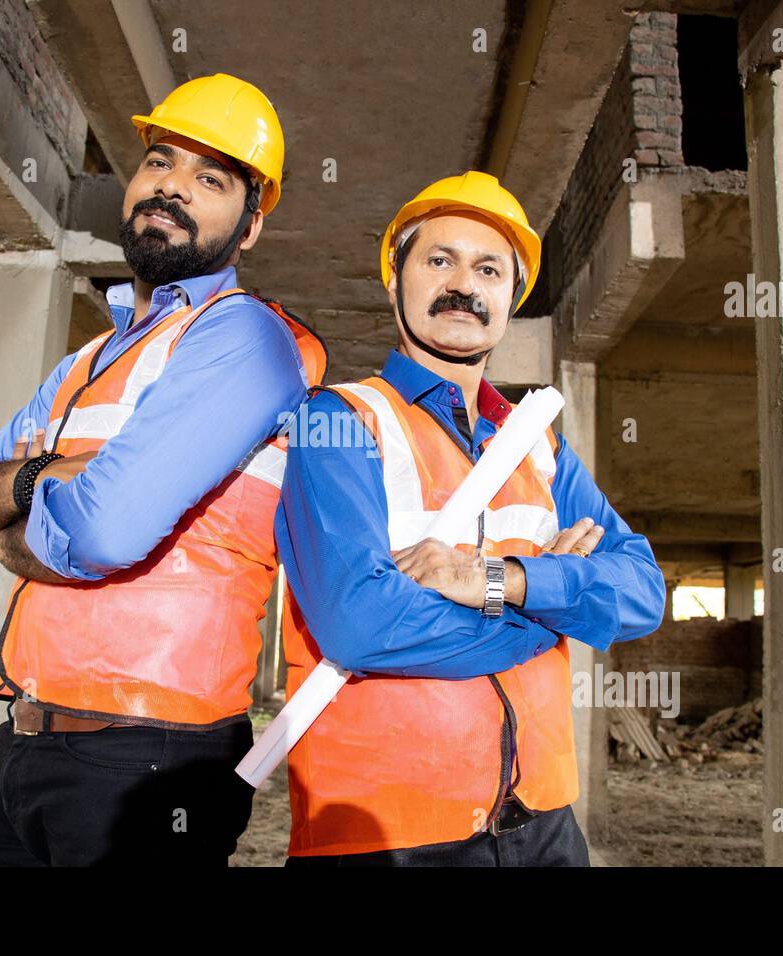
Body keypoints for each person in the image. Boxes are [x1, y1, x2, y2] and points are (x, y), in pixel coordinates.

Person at [0, 74, 325, 866]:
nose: (172, 187)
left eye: (209, 179)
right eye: (160, 163)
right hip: (25, 737)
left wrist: (11, 516)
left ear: (249, 227)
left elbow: (106, 531)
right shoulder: (89, 358)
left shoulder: (244, 340)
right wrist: (43, 476)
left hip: (150, 758)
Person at [275, 171, 665, 866]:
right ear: (395, 283)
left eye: (488, 268)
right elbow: (361, 624)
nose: (463, 283)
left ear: (509, 299)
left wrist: (501, 581)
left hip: (544, 822)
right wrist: (551, 609)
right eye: (438, 260)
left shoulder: (540, 447)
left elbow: (642, 594)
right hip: (391, 832)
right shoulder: (339, 422)